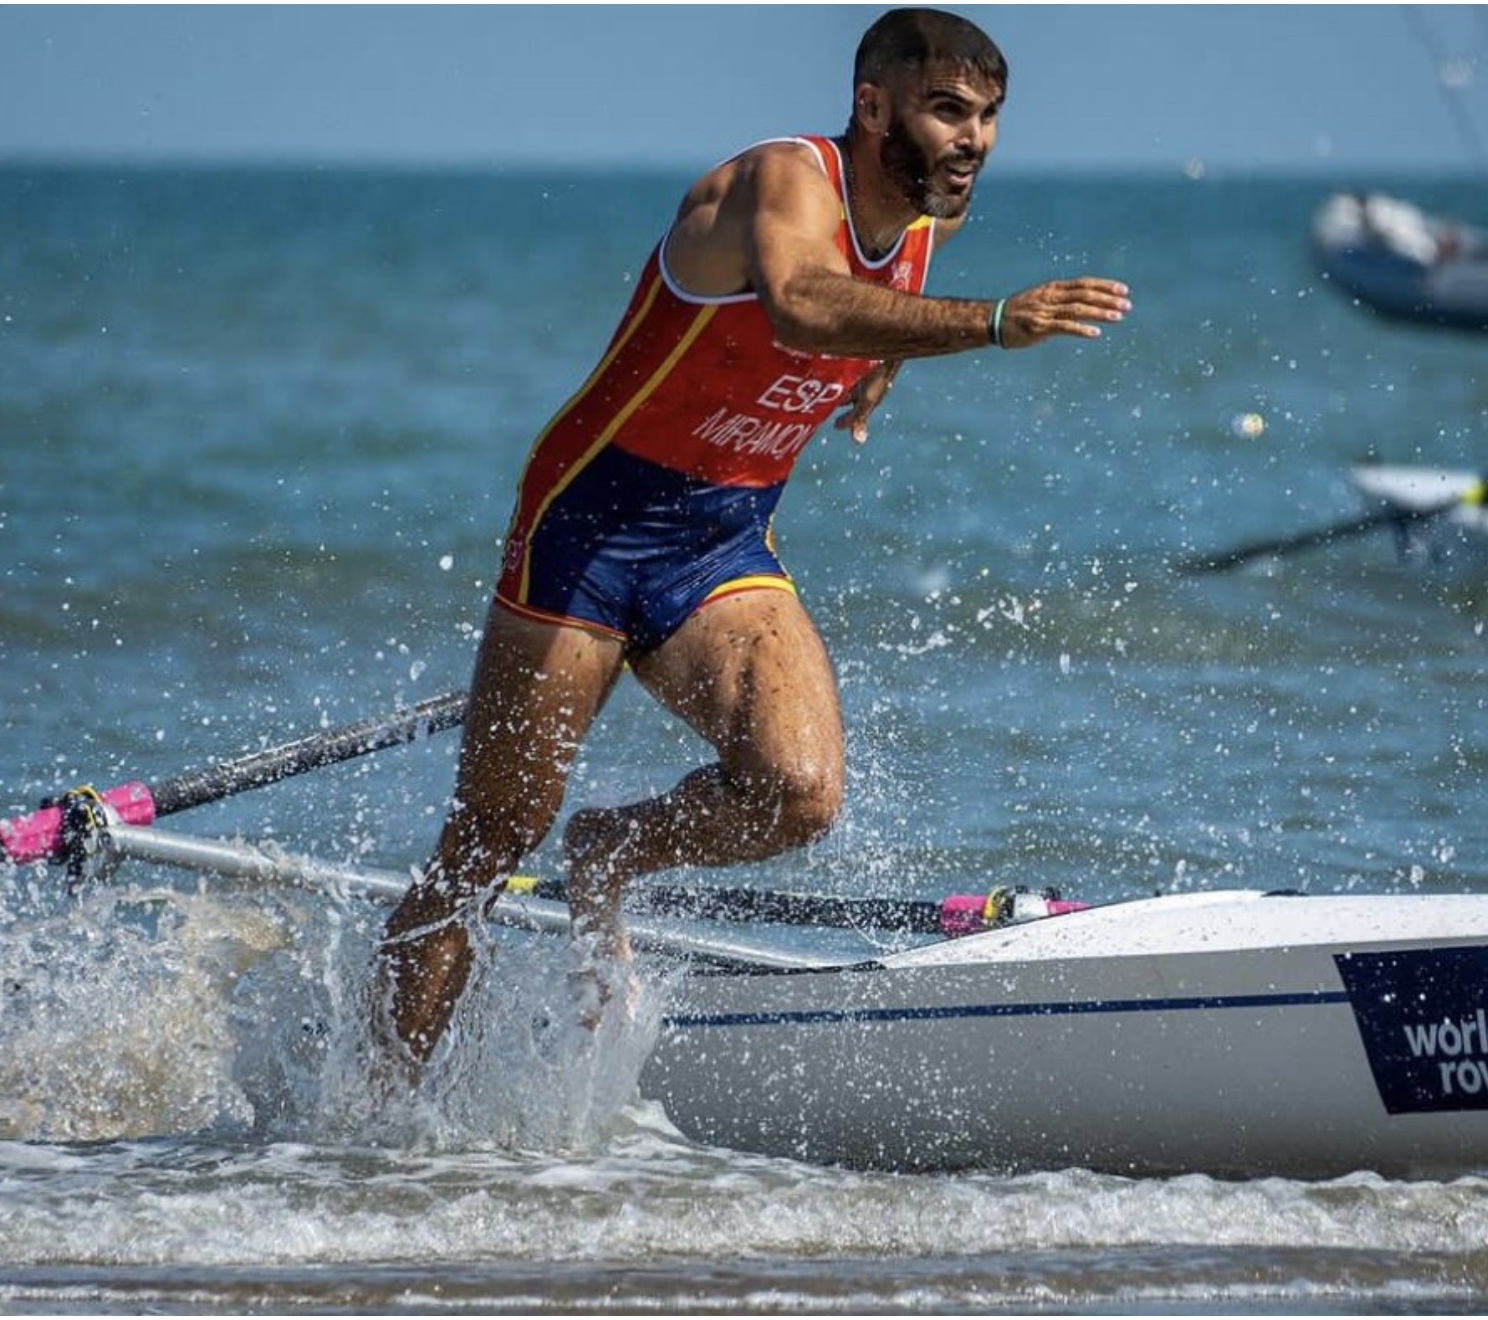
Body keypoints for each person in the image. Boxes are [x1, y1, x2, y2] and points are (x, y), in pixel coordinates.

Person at [374, 8, 1133, 1070]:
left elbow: (869, 309)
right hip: (589, 528)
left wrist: (886, 364)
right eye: (948, 111)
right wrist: (993, 323)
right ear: (873, 105)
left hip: (721, 538)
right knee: (487, 843)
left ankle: (611, 849)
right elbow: (803, 307)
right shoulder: (783, 183)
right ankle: (364, 1127)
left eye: (991, 117)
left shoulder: (927, 218)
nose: (974, 140)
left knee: (799, 792)